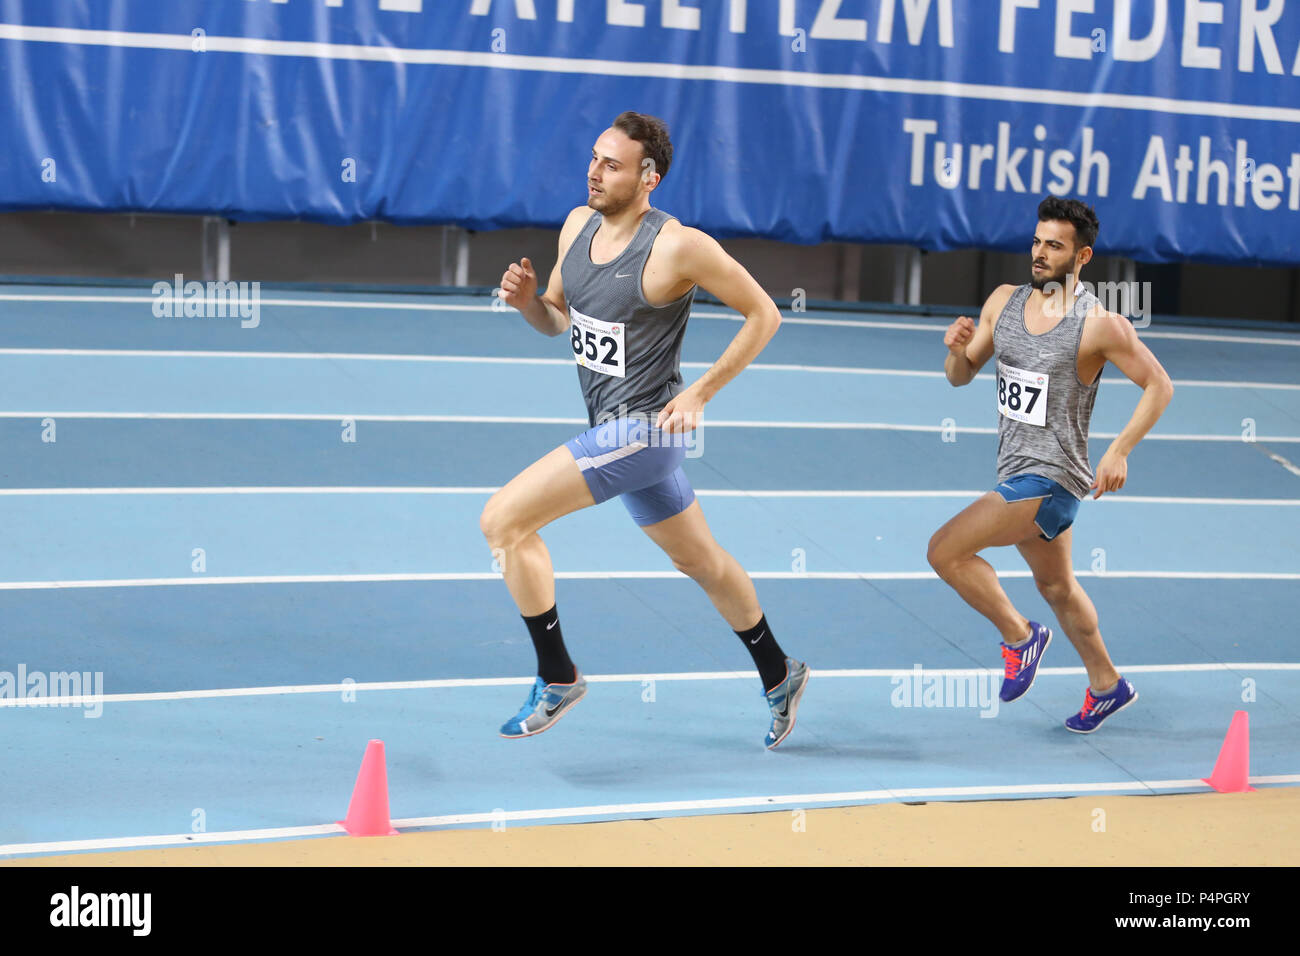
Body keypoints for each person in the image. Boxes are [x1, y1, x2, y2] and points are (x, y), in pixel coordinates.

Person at [483, 111, 808, 749]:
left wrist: (701, 392)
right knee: (702, 561)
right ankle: (780, 671)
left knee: (502, 521)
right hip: (617, 434)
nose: (594, 172)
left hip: (649, 432)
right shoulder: (577, 226)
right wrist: (528, 304)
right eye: (595, 158)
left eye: (612, 164)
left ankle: (558, 675)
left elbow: (764, 314)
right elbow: (558, 319)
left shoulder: (678, 246)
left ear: (649, 177)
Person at [928, 196, 1174, 732]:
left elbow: (1160, 385)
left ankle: (1021, 637)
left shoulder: (1099, 325)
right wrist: (955, 349)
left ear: (1081, 256)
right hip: (1015, 472)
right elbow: (961, 375)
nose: (1039, 254)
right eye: (1037, 242)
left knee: (945, 551)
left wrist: (1119, 449)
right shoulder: (1003, 301)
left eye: (1054, 246)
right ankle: (1108, 685)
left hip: (1055, 479)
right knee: (1058, 588)